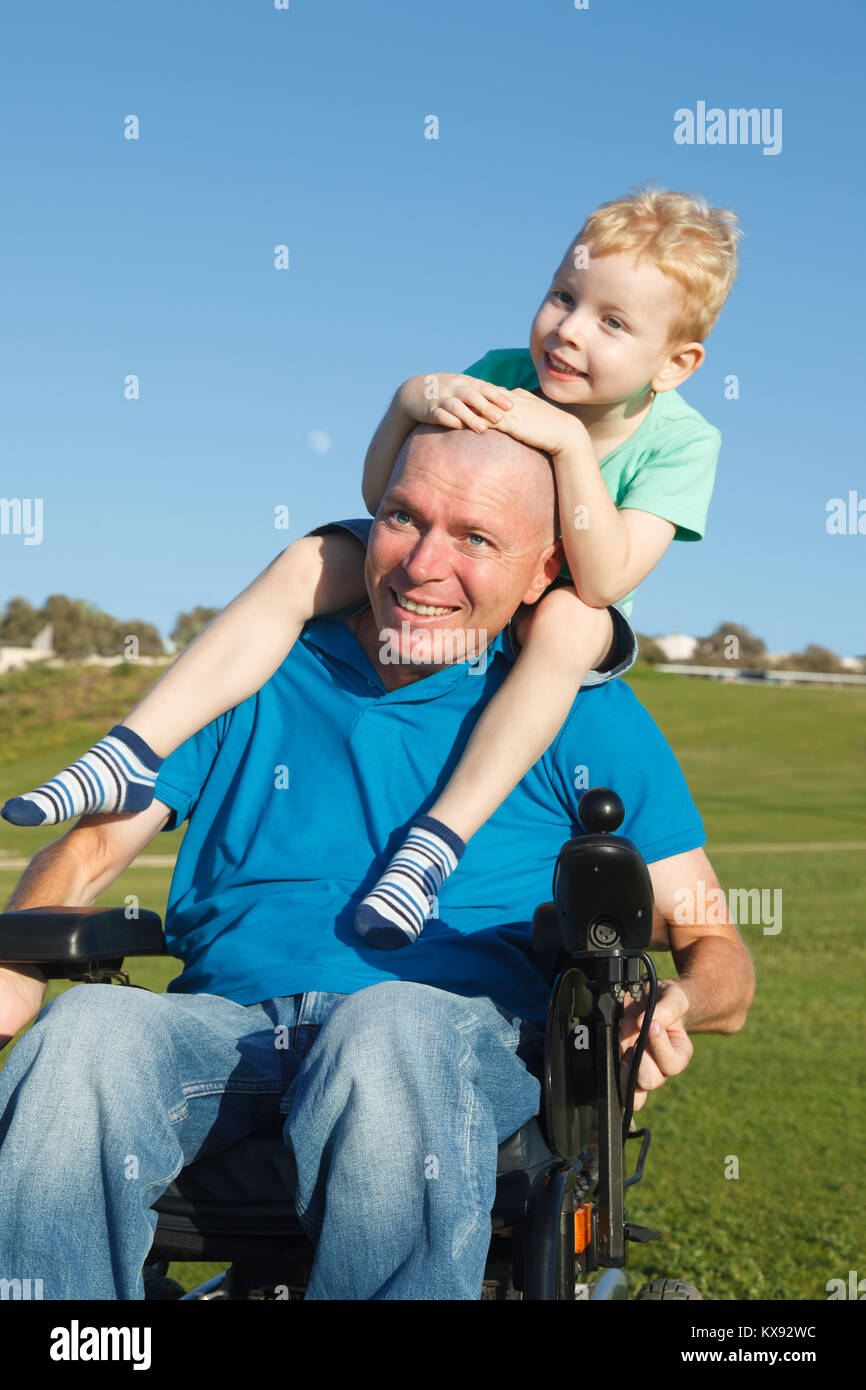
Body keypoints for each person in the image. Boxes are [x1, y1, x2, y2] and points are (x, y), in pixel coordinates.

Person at [0, 423, 755, 1299]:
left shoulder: (577, 711)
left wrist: (679, 998)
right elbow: (93, 842)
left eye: (476, 538)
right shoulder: (260, 671)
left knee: (386, 1025)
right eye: (404, 518)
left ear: (544, 571)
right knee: (86, 1034)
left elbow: (716, 950)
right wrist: (16, 961)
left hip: (447, 1035)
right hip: (225, 1033)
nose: (423, 565)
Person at [2, 187, 741, 954]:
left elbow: (606, 578)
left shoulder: (683, 443)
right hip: (463, 574)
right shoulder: (502, 370)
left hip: (557, 601)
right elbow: (383, 493)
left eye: (613, 323)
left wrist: (568, 446)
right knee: (308, 560)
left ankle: (435, 842)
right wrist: (407, 399)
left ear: (677, 363)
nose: (569, 331)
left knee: (565, 622)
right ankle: (129, 754)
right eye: (564, 297)